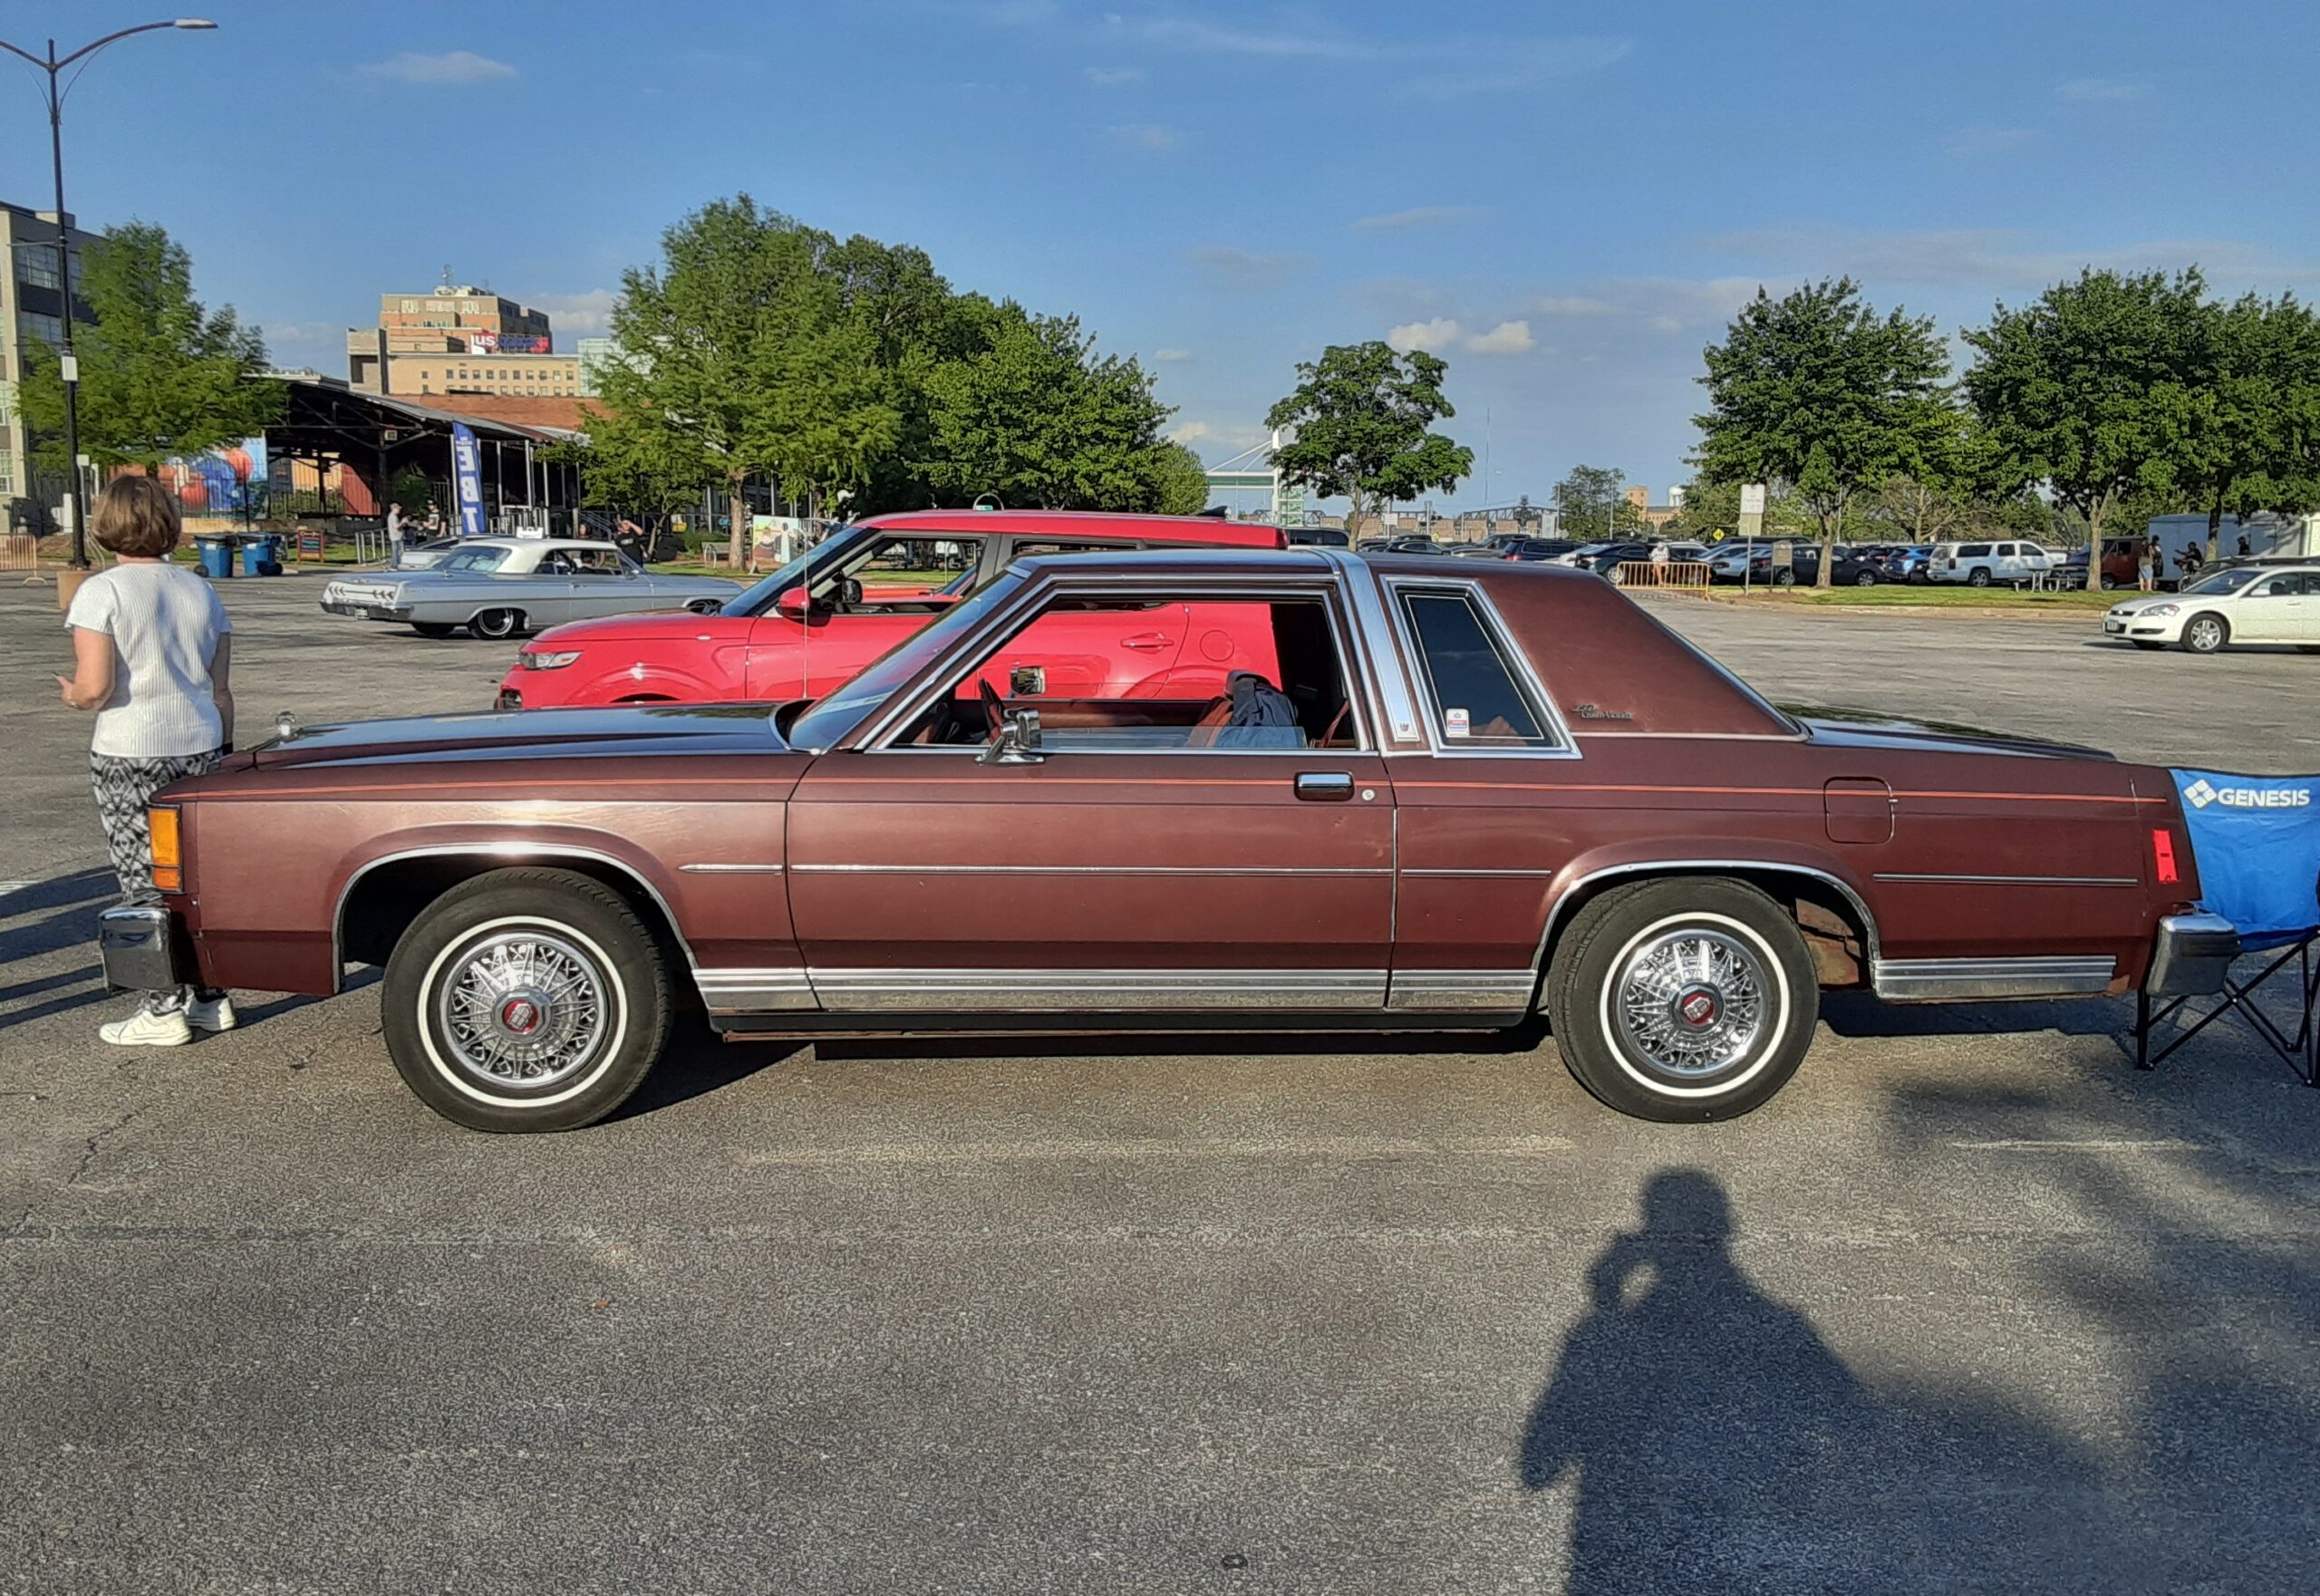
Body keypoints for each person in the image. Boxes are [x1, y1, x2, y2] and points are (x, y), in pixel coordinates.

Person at [55, 476, 237, 1047]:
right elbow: (221, 688)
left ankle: (161, 1008)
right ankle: (211, 995)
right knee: (196, 877)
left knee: (142, 879)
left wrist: (72, 695)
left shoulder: (102, 592)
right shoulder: (200, 590)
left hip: (131, 747)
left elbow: (96, 688)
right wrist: (224, 752)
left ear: (105, 525)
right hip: (200, 738)